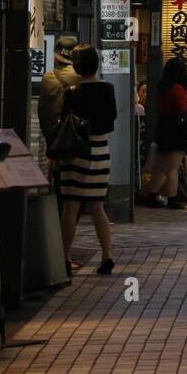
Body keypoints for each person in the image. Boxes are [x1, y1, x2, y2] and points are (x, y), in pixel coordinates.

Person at [58, 45, 118, 276]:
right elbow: (111, 119)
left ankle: (64, 257)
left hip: (76, 151)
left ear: (76, 66)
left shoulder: (72, 91)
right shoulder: (108, 89)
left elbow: (64, 122)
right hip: (100, 148)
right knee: (97, 206)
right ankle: (107, 255)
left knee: (71, 206)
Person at [144, 58, 187, 210]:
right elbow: (182, 110)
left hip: (163, 127)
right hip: (176, 128)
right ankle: (173, 199)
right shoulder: (178, 89)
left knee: (161, 167)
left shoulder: (161, 87)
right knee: (174, 167)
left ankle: (152, 196)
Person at [38, 35, 80, 205]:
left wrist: (50, 140)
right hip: (77, 138)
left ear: (56, 56)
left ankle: (62, 216)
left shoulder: (48, 78)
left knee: (59, 184)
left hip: (56, 139)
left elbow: (43, 113)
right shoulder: (81, 78)